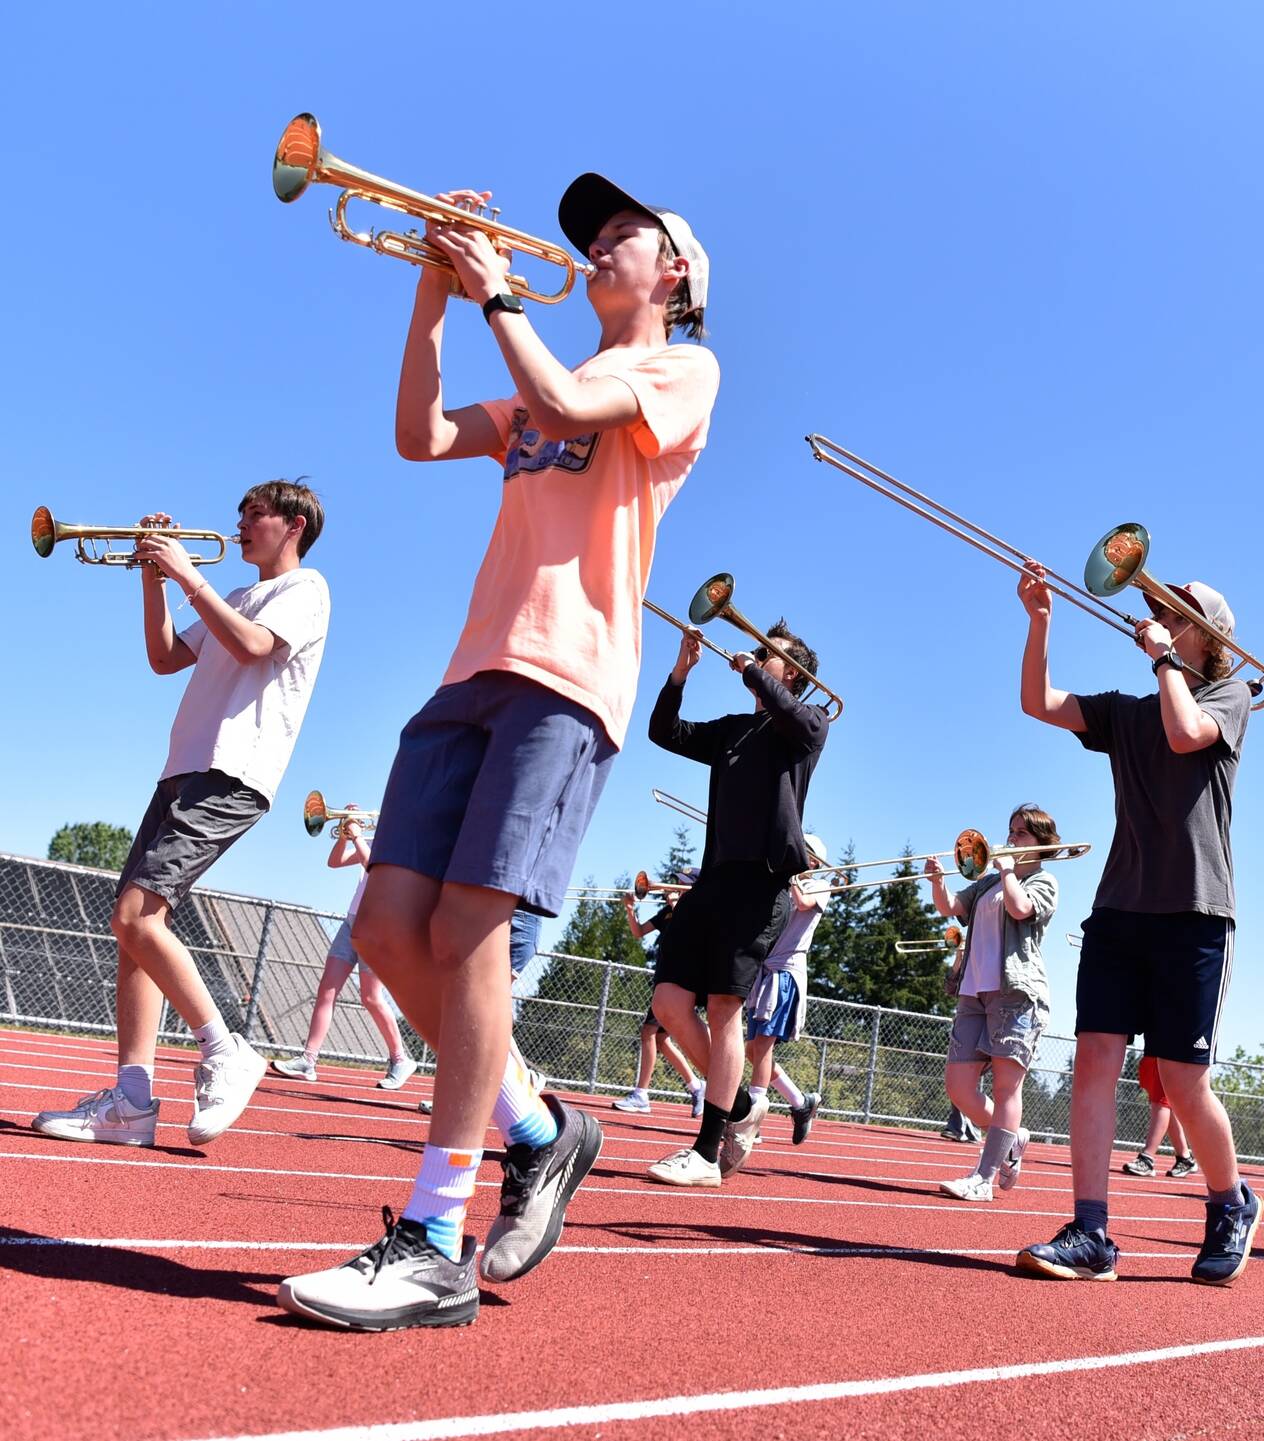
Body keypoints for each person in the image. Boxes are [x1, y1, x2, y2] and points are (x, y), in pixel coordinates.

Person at [278, 173, 715, 1331]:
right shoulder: (535, 377)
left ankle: (432, 1241)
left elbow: (574, 408)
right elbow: (419, 436)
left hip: (568, 679)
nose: (599, 245)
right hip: (470, 669)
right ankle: (540, 1128)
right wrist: (430, 295)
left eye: (623, 233)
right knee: (383, 929)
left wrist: (492, 296)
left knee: (468, 931)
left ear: (672, 273)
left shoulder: (675, 369)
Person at [36, 484, 330, 1150]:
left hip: (232, 770)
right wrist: (152, 579)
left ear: (294, 525)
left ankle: (225, 1048)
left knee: (137, 915)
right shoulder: (237, 595)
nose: (240, 524)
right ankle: (132, 1102)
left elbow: (255, 646)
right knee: (136, 929)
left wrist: (189, 573)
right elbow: (165, 656)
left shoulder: (306, 589)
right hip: (183, 767)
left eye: (254, 515)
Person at [1012, 562, 1260, 1285]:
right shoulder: (1126, 710)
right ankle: (1091, 1231)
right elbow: (1039, 701)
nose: (1161, 619)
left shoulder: (1230, 693)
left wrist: (1162, 658)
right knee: (1094, 1063)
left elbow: (1187, 734)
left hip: (1194, 910)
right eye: (1160, 613)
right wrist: (1040, 621)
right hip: (1120, 906)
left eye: (1179, 615)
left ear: (1210, 637)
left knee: (1184, 1081)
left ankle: (1230, 1201)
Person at [642, 617, 828, 1188]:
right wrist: (680, 672)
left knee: (724, 1011)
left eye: (768, 654)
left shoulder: (809, 725)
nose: (753, 655)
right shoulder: (731, 730)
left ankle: (704, 1151)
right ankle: (742, 1108)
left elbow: (790, 712)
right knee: (669, 1005)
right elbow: (663, 732)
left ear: (791, 673)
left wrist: (752, 671)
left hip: (761, 884)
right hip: (714, 881)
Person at [926, 807, 1062, 1202]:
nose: (1012, 837)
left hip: (1016, 993)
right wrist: (937, 881)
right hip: (973, 991)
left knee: (1006, 1089)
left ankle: (983, 1178)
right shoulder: (987, 883)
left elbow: (1021, 909)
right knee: (959, 1087)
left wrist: (1007, 871)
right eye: (1011, 831)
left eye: (1021, 833)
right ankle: (1013, 1137)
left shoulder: (1043, 880)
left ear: (1040, 842)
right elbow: (950, 907)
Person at [271, 813, 414, 1089]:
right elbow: (334, 862)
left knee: (371, 997)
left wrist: (357, 834)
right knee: (327, 988)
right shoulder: (373, 840)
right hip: (351, 921)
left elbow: (371, 865)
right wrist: (344, 835)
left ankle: (400, 1058)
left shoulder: (403, 846)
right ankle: (308, 1060)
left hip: (379, 926)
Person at [734, 834, 834, 1164]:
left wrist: (791, 874)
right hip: (765, 971)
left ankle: (752, 1117)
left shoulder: (819, 886)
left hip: (785, 974)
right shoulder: (783, 886)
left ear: (813, 861)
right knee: (752, 1050)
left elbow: (804, 903)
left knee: (761, 1047)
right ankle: (799, 1101)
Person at [617, 890, 706, 1116]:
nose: (672, 889)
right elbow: (638, 932)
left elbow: (693, 932)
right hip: (665, 980)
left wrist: (677, 905)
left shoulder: (695, 909)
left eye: (680, 886)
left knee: (648, 1032)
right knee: (659, 1039)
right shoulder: (667, 912)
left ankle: (641, 1094)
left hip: (680, 982)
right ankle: (696, 1086)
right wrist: (629, 907)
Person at [1122, 1054, 1196, 1177]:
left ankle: (1147, 1158)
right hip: (1157, 1047)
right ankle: (1185, 1158)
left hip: (1168, 1049)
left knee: (1161, 1100)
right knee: (1165, 1103)